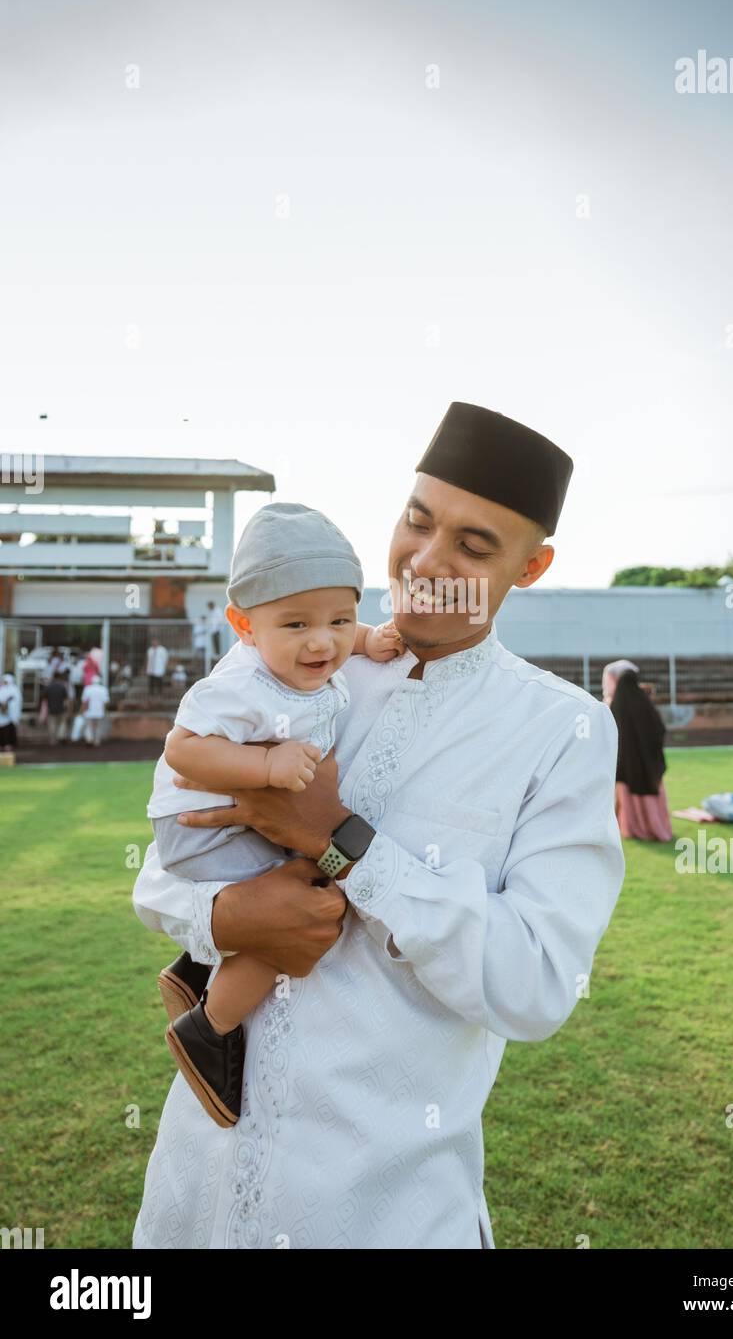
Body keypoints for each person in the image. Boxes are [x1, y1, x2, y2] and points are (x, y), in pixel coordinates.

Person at [131, 400, 625, 1250]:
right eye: (417, 520)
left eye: (473, 545)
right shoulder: (292, 663)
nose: (426, 560)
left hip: (381, 1212)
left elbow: (537, 982)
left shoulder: (559, 730)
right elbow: (163, 868)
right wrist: (224, 918)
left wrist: (344, 843)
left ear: (532, 566)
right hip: (194, 1195)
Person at [147, 504, 403, 1128]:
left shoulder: (313, 655)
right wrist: (266, 769)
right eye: (296, 624)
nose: (323, 642)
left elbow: (338, 634)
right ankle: (210, 1028)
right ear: (243, 626)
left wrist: (369, 638)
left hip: (237, 822)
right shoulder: (241, 687)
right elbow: (181, 749)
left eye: (340, 619)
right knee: (302, 899)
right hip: (204, 825)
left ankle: (194, 968)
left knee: (303, 880)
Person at [603, 659, 673, 842]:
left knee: (626, 791)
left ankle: (630, 826)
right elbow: (659, 728)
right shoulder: (644, 702)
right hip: (648, 763)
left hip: (626, 763)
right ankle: (653, 825)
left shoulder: (615, 705)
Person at [80, 672, 111, 745]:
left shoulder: (87, 689)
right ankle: (97, 741)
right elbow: (106, 702)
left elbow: (84, 701)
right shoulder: (103, 689)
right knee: (98, 726)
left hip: (89, 711)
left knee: (89, 726)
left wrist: (83, 710)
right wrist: (105, 710)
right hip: (100, 711)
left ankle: (89, 739)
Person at [45, 671, 71, 744]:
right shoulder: (62, 687)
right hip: (61, 708)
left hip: (51, 708)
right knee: (62, 723)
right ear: (60, 677)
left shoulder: (49, 687)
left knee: (52, 725)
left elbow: (45, 698)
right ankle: (61, 737)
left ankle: (53, 740)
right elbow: (66, 699)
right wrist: (67, 708)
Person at [0, 673, 22, 752]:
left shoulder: (14, 689)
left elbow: (16, 703)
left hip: (10, 716)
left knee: (9, 730)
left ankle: (9, 744)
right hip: (2, 716)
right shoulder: (2, 689)